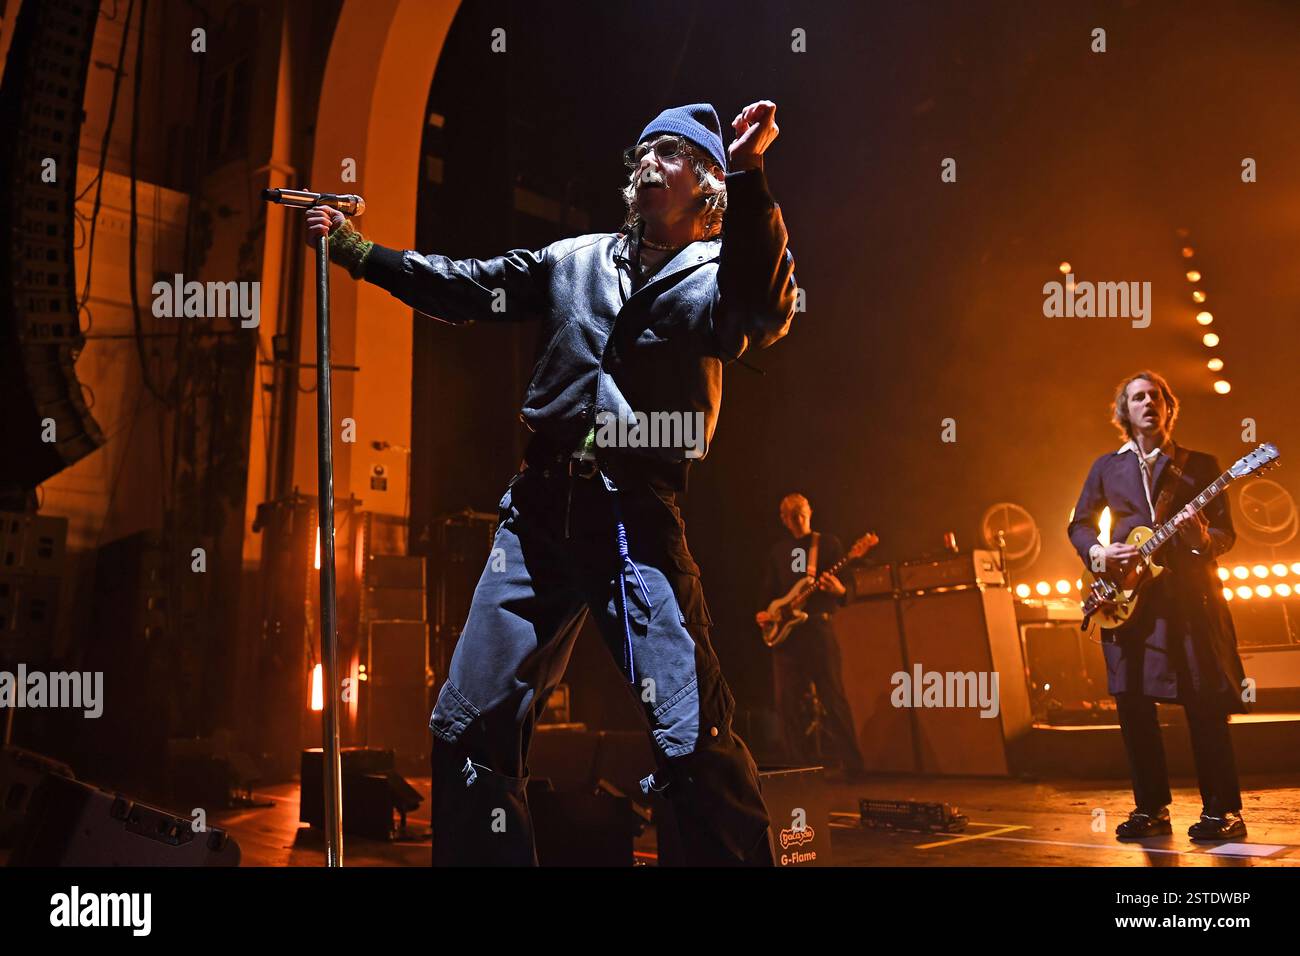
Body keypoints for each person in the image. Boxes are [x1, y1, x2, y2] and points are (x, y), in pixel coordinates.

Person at [306, 101, 797, 864]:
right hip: (534, 515)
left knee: (689, 733)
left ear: (708, 186)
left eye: (667, 153)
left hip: (636, 518)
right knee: (466, 727)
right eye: (643, 148)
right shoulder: (575, 260)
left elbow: (763, 308)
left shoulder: (716, 278)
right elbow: (466, 286)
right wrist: (358, 251)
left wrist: (753, 173)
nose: (645, 161)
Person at [1068, 371, 1248, 842]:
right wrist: (1100, 554)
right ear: (1124, 412)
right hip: (1128, 603)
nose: (1147, 403)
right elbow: (1080, 524)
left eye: (1155, 397)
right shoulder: (1106, 467)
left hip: (1189, 603)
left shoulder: (1202, 465)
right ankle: (1150, 808)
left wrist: (1202, 538)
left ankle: (1222, 812)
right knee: (1132, 708)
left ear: (1168, 407)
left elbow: (1227, 535)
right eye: (1137, 398)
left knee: (1204, 706)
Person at [756, 493, 868, 780]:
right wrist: (764, 614)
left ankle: (854, 766)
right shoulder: (777, 551)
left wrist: (839, 591)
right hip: (787, 639)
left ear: (809, 511)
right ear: (783, 519)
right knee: (786, 703)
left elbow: (849, 589)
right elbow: (769, 593)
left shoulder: (828, 544)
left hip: (818, 630)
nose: (797, 517)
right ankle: (798, 769)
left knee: (833, 697)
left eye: (800, 511)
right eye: (790, 514)